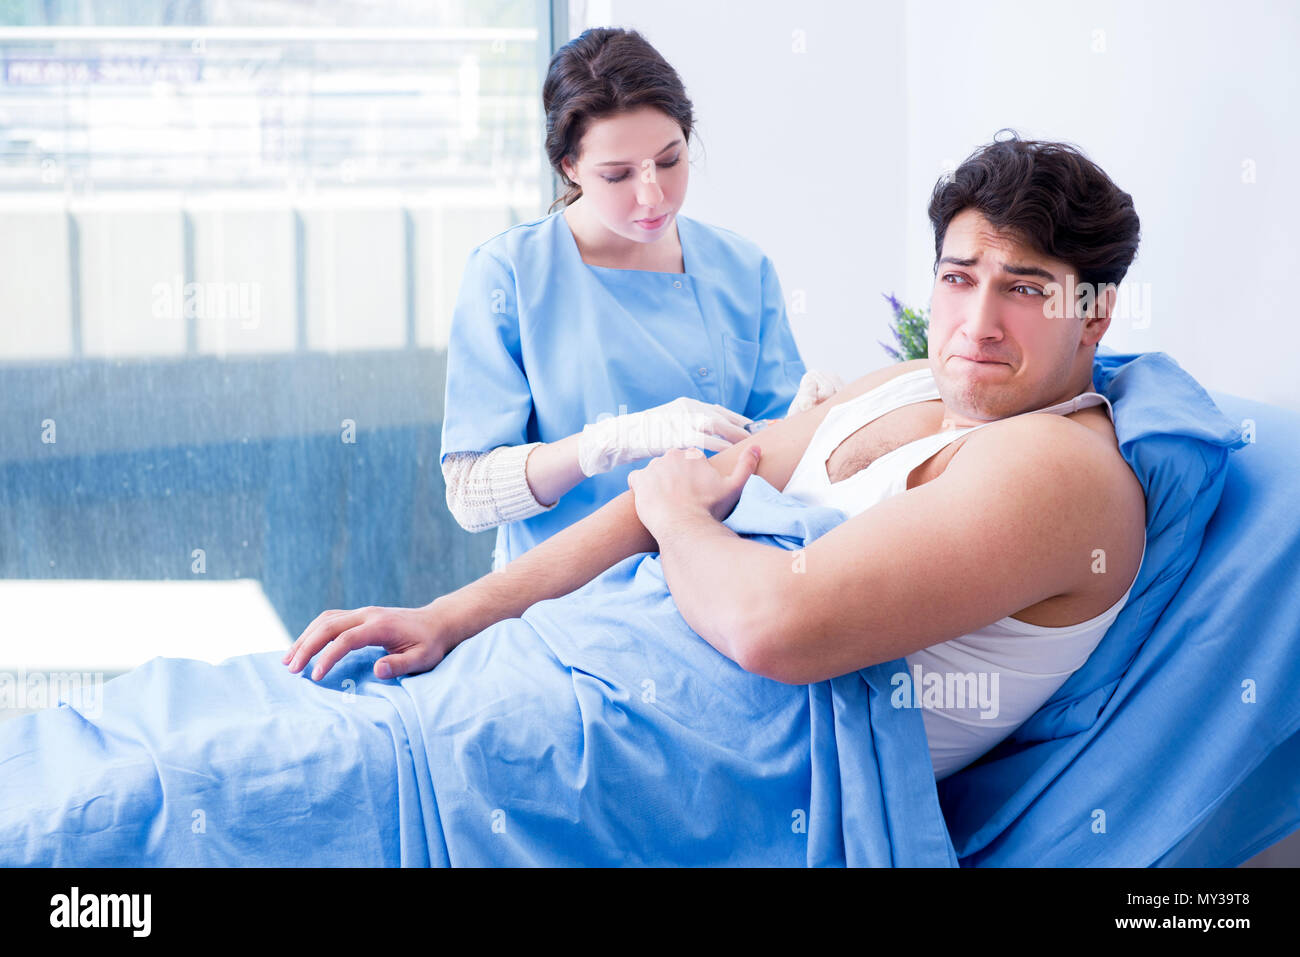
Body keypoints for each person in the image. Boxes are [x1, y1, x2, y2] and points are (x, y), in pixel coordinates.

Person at [291, 133, 1147, 778]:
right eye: (959, 278)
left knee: (309, 774)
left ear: (1096, 314)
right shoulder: (913, 382)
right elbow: (671, 496)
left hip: (717, 757)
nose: (979, 322)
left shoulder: (1056, 466)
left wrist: (674, 509)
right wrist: (451, 616)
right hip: (606, 664)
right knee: (324, 708)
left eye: (1026, 289)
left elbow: (768, 623)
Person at [439, 28, 838, 571]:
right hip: (565, 592)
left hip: (717, 578)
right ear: (570, 167)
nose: (651, 196)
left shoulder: (742, 269)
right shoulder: (508, 274)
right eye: (617, 174)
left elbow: (772, 451)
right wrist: (603, 443)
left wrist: (815, 420)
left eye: (669, 162)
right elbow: (469, 494)